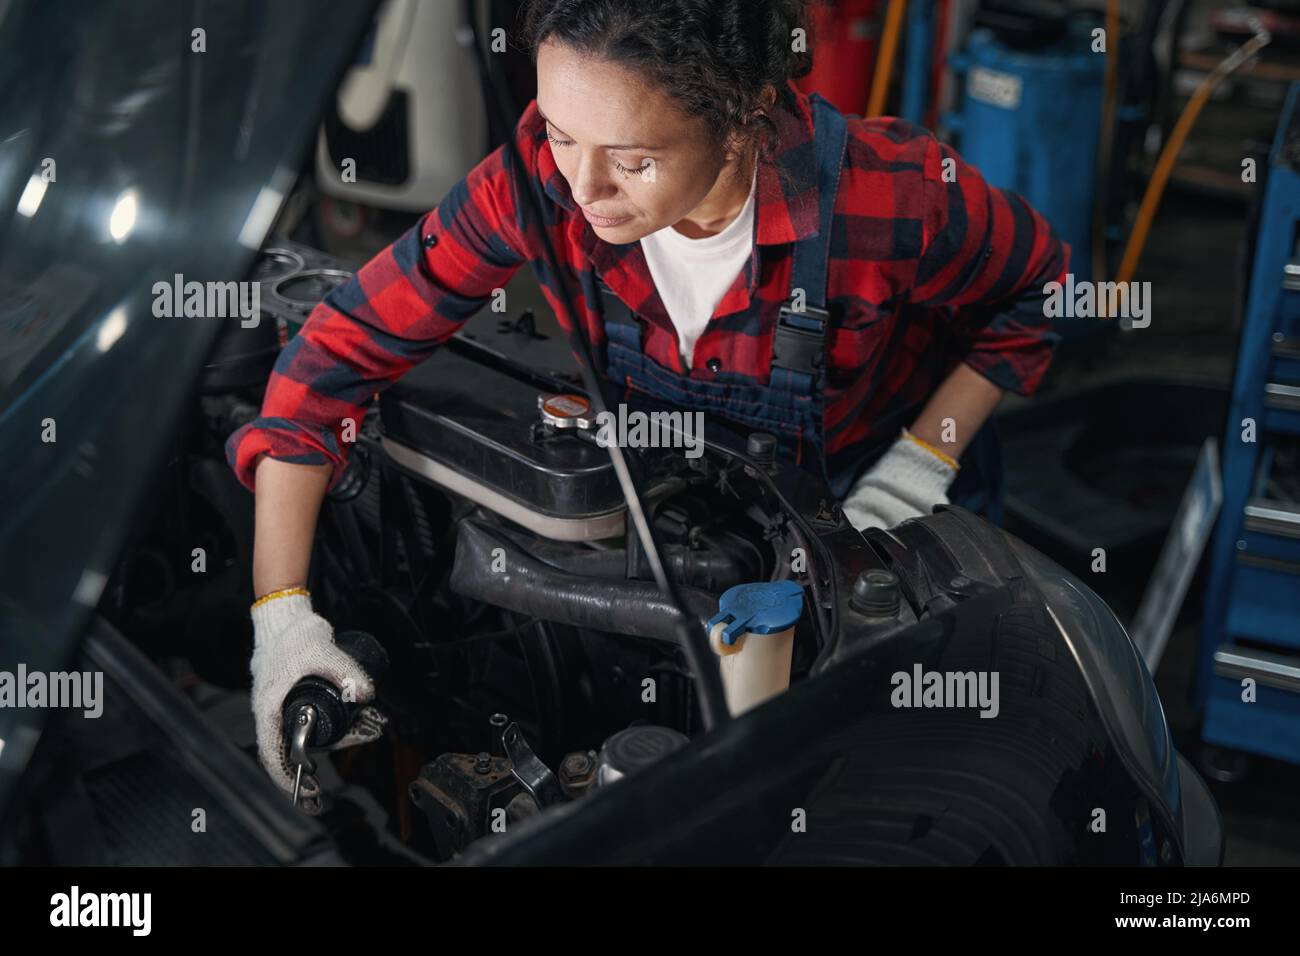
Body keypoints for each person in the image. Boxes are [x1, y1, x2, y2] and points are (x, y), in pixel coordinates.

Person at [226, 0, 1068, 805]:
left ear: (746, 115)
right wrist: (282, 618)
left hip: (888, 526)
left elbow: (1044, 292)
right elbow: (336, 352)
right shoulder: (537, 183)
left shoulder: (891, 196)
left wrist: (923, 461)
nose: (583, 189)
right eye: (560, 133)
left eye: (633, 160)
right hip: (692, 539)